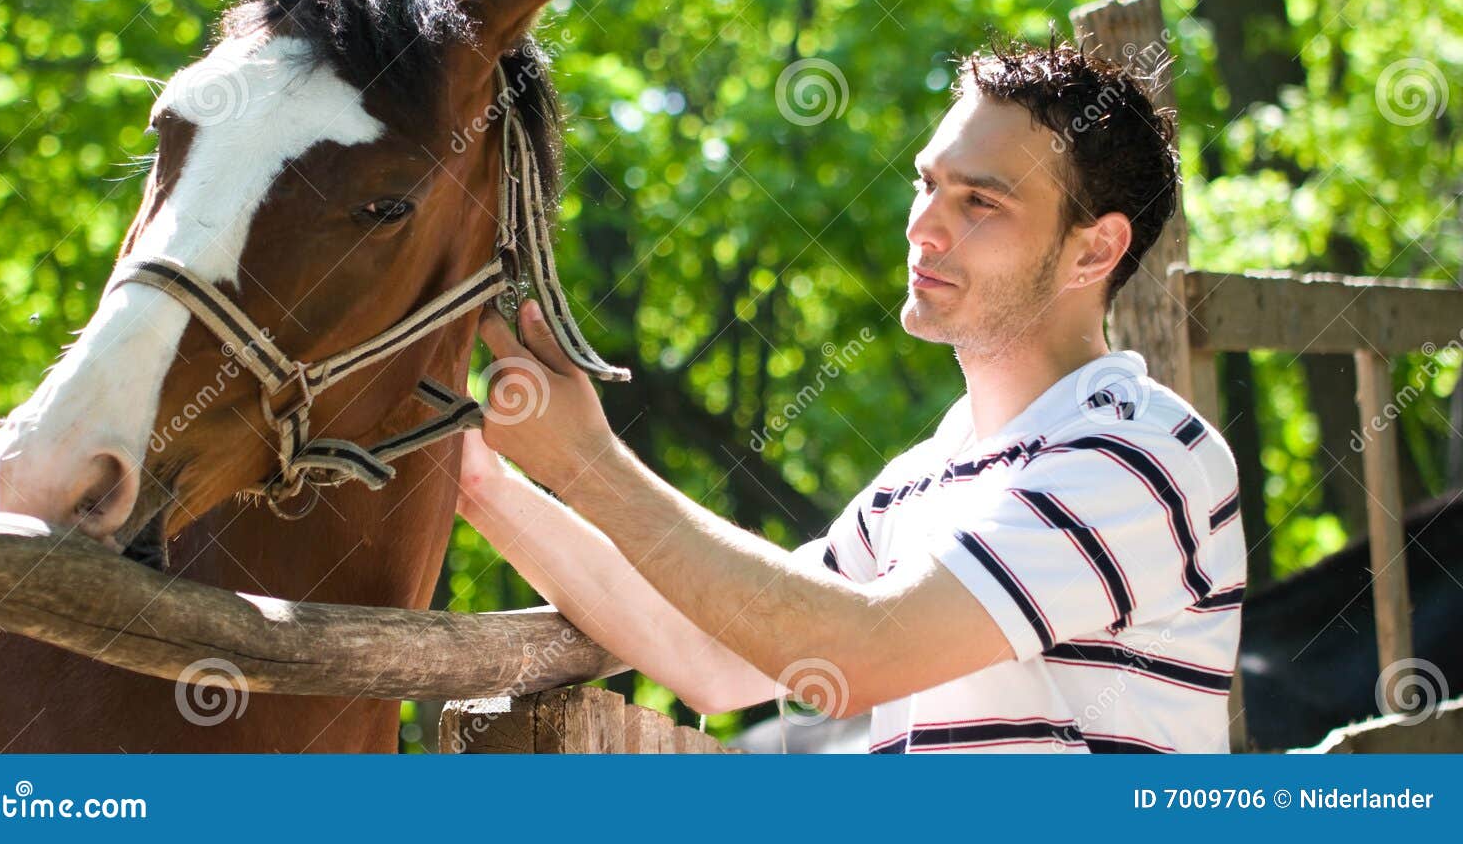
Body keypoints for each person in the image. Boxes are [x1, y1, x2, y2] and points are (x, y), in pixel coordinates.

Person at [456, 38, 1245, 754]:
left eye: (982, 202)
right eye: (927, 183)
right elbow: (715, 657)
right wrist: (478, 481)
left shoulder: (1141, 457)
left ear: (1096, 248)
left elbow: (853, 652)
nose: (925, 227)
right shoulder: (923, 476)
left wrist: (591, 462)